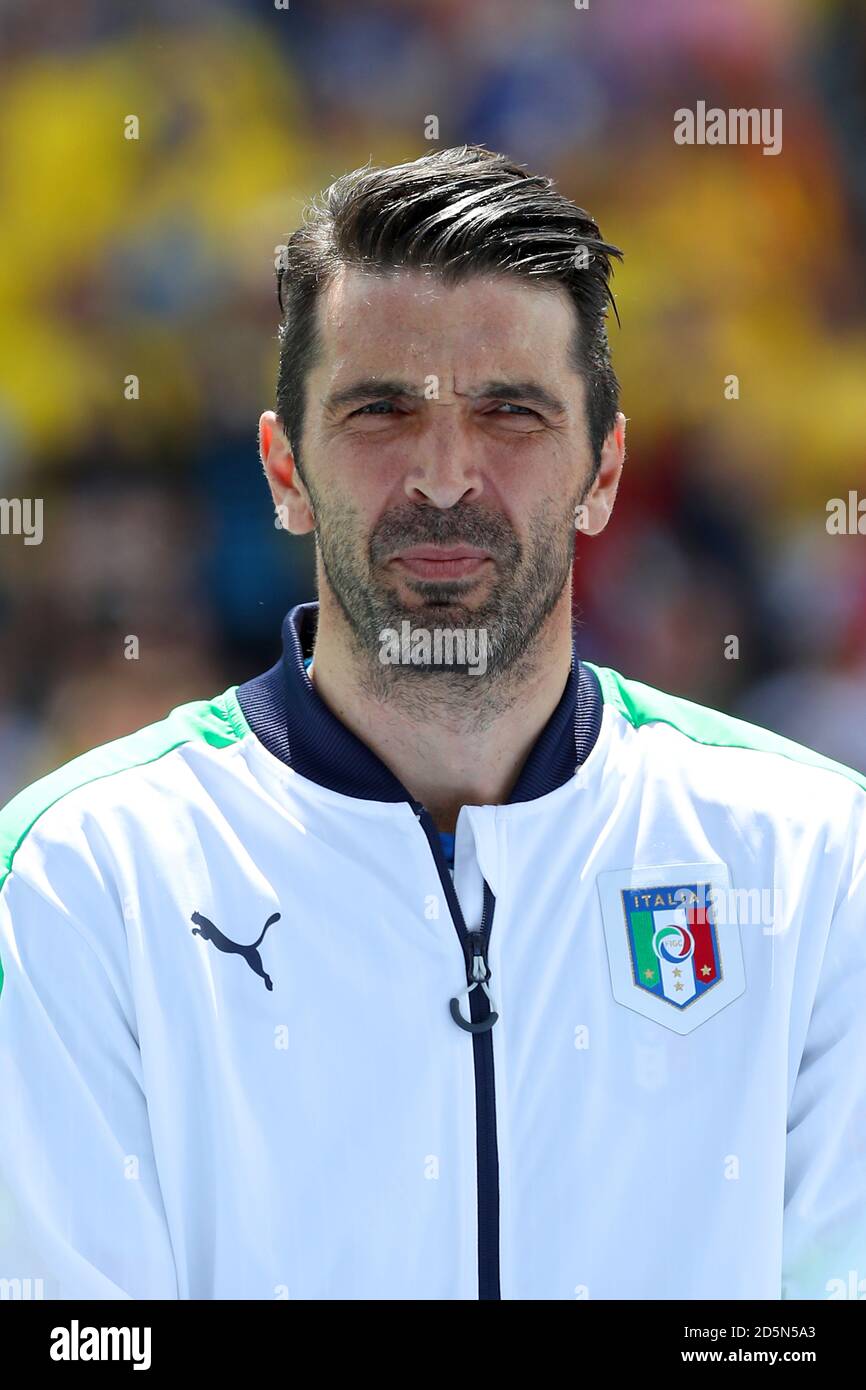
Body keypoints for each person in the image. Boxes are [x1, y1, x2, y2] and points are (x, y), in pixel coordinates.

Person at [0, 145, 864, 1301]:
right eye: (380, 410)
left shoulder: (813, 860)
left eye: (509, 412)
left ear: (603, 471)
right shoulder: (84, 874)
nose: (445, 476)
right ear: (283, 469)